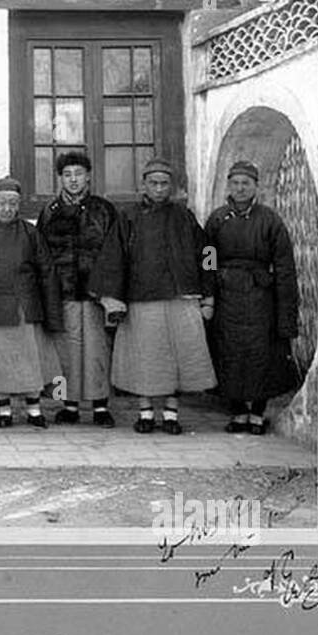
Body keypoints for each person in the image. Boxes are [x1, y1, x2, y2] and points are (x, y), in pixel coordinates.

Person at [91, 159, 216, 435]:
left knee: (177, 360)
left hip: (181, 299)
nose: (159, 188)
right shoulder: (128, 217)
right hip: (142, 300)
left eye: (164, 184)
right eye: (154, 183)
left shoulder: (184, 216)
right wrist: (112, 299)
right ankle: (145, 413)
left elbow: (208, 253)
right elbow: (113, 258)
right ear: (143, 185)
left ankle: (171, 414)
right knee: (145, 359)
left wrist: (209, 295)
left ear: (171, 186)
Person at [204, 160, 301, 435]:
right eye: (235, 183)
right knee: (229, 353)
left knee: (262, 355)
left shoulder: (270, 220)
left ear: (256, 186)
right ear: (229, 186)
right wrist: (209, 295)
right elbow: (208, 261)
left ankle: (257, 413)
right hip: (227, 297)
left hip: (261, 298)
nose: (240, 188)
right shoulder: (217, 220)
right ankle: (237, 412)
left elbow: (284, 266)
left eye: (246, 183)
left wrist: (285, 307)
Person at [0, 177, 64, 428]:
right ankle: (3, 411)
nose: (7, 208)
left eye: (12, 203)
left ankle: (34, 410)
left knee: (31, 361)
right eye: (2, 203)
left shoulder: (31, 233)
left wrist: (51, 313)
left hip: (24, 308)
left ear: (18, 205)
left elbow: (47, 272)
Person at [36, 150, 119, 426]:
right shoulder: (50, 212)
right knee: (65, 352)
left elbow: (114, 252)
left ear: (88, 177)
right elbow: (42, 255)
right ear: (60, 178)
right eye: (67, 175)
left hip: (97, 293)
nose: (73, 180)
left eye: (78, 174)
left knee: (98, 350)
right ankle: (68, 405)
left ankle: (100, 406)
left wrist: (109, 290)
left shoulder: (104, 210)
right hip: (63, 292)